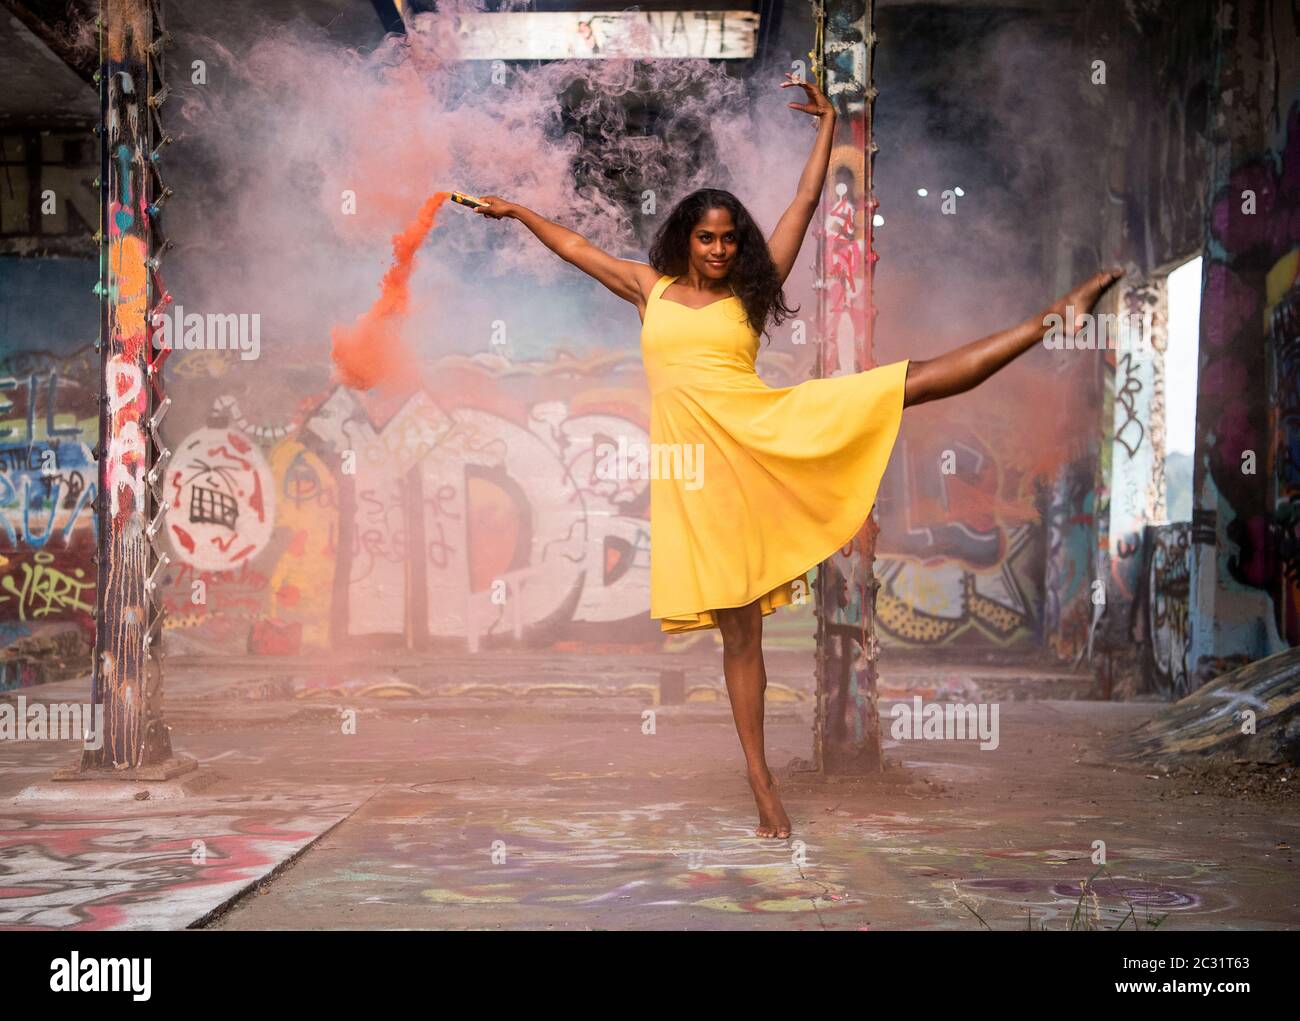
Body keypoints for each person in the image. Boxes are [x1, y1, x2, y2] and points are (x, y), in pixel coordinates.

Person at [472, 73, 1122, 839]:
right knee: (737, 633)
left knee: (911, 382)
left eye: (729, 239)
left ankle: (1054, 317)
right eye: (707, 237)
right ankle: (761, 779)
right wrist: (516, 213)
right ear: (685, 237)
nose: (719, 249)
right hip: (701, 480)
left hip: (770, 433)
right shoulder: (647, 289)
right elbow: (576, 246)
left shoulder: (750, 292)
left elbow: (802, 208)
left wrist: (828, 130)